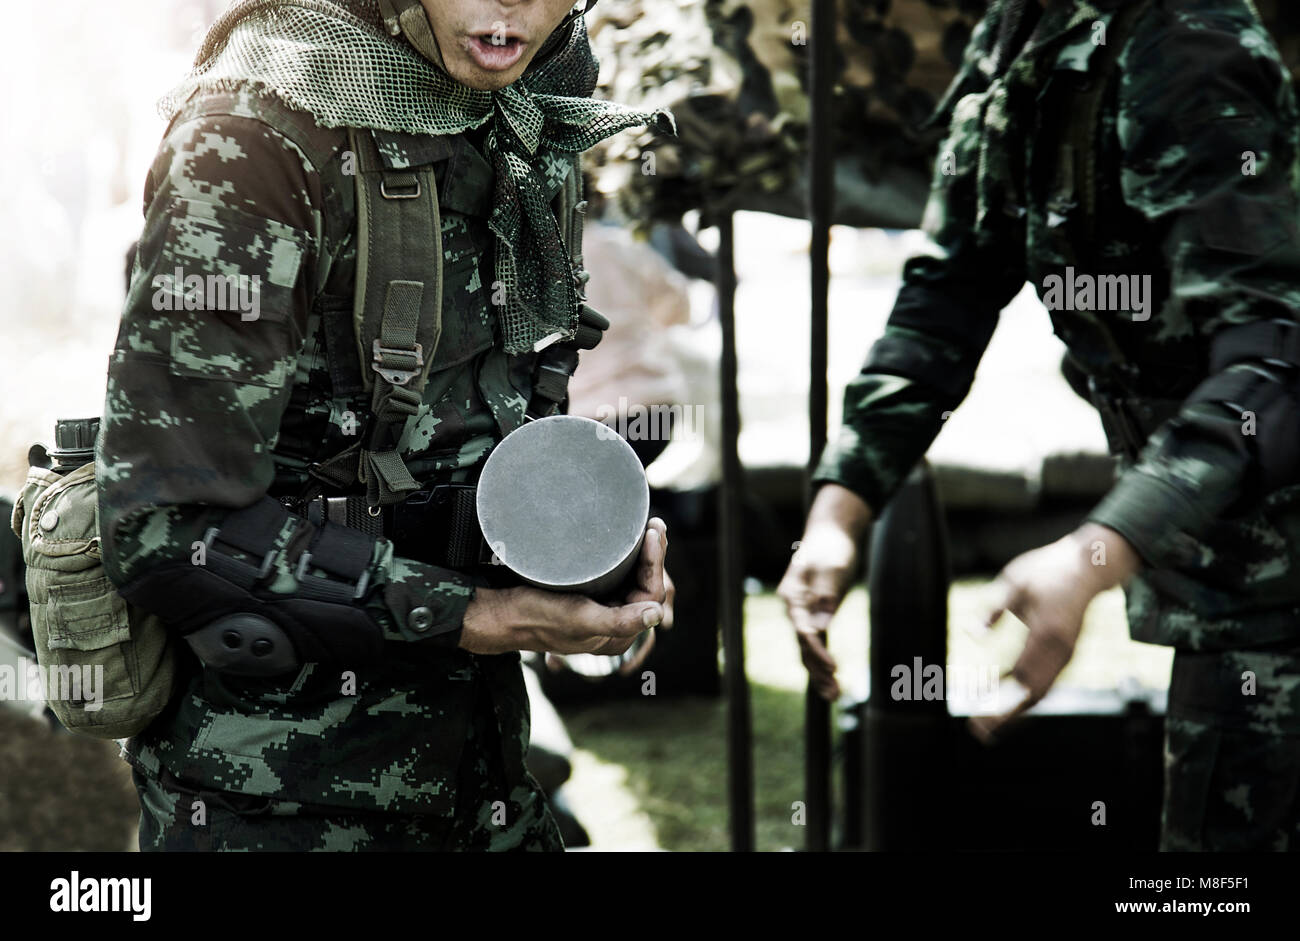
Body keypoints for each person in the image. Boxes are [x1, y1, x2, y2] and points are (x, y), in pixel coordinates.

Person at [99, 0, 673, 851]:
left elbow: (483, 423)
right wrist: (477, 615)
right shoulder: (257, 136)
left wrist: (577, 568)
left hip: (485, 777)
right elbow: (168, 523)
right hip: (279, 798)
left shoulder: (520, 101)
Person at [780, 0, 1300, 851]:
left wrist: (1094, 554)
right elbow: (950, 286)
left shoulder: (1188, 42)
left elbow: (1272, 369)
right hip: (1225, 567)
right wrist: (839, 512)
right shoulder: (1019, 28)